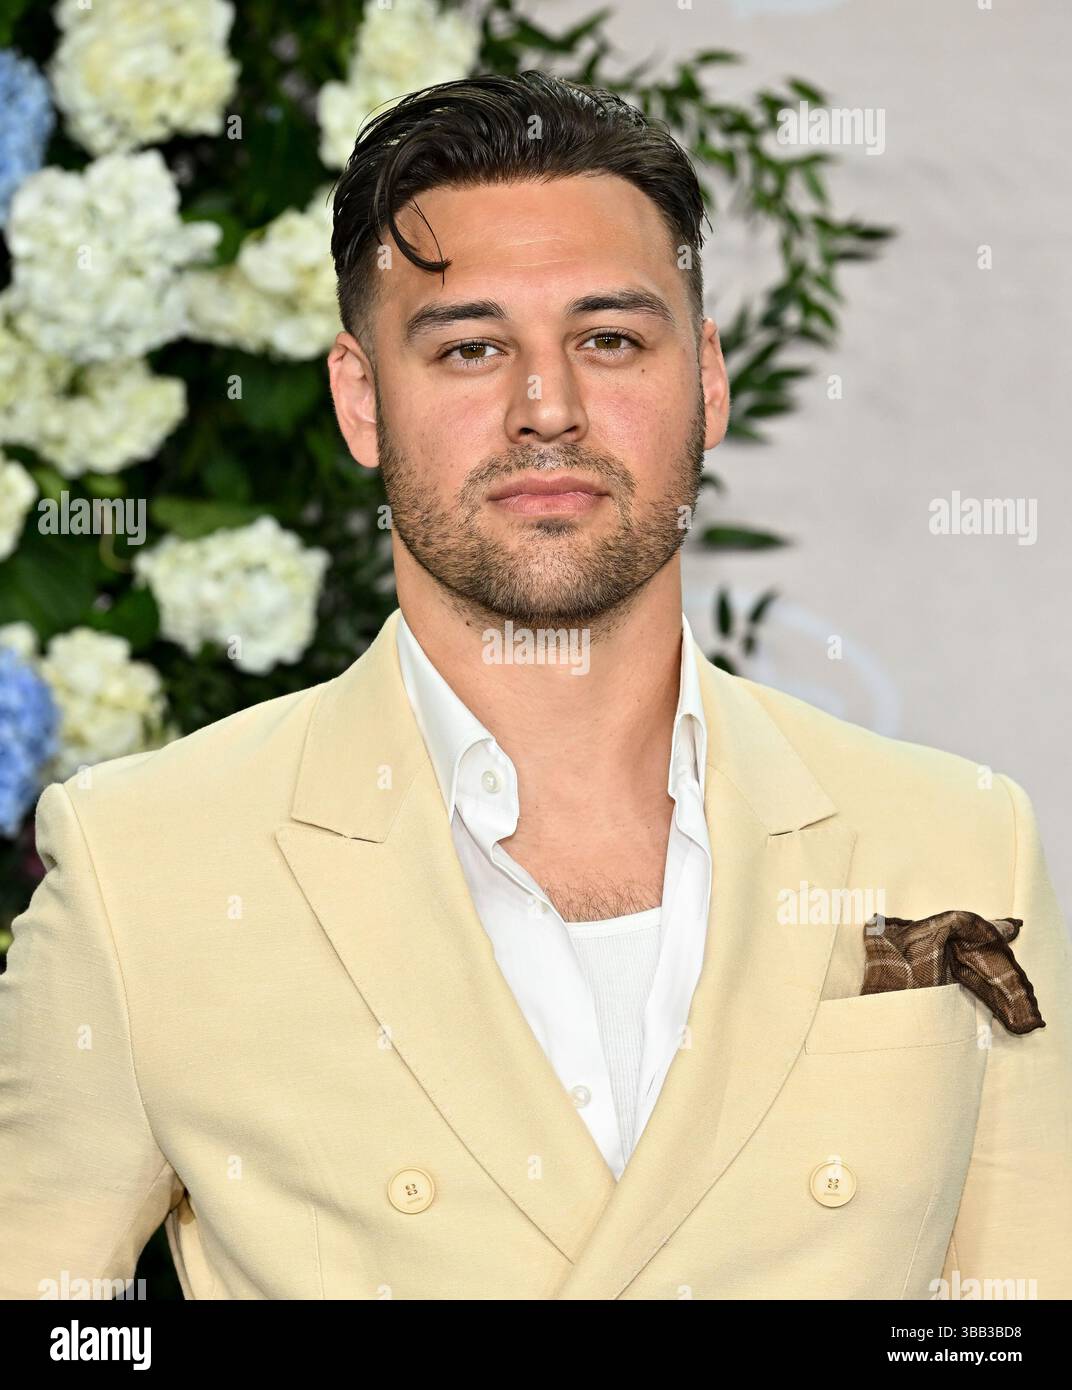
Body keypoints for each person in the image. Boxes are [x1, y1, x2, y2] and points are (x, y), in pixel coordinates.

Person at [1, 72, 1068, 1301]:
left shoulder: (957, 837)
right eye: (470, 348)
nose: (545, 409)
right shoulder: (146, 866)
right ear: (361, 399)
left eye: (608, 339)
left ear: (707, 379)